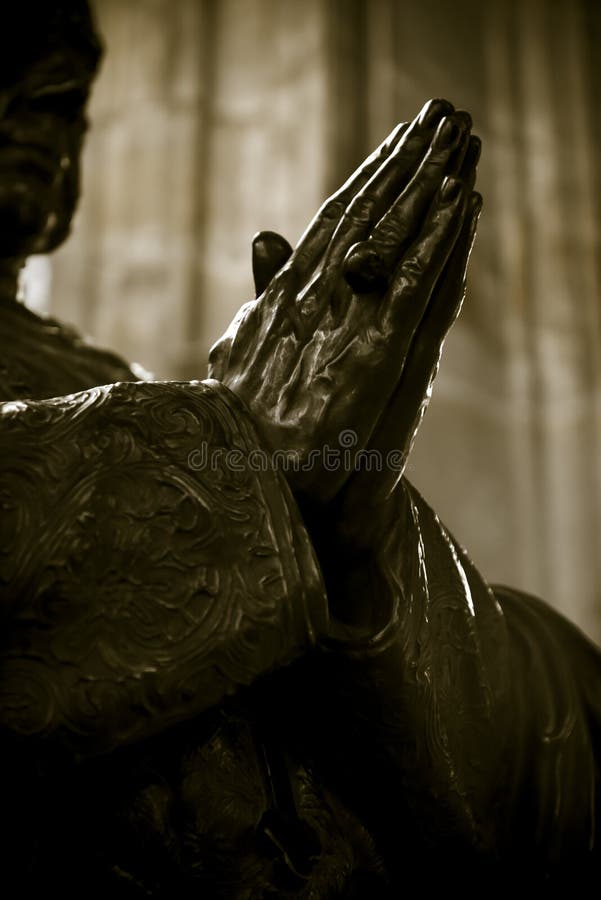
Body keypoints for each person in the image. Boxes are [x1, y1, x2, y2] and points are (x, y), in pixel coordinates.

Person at [0, 2, 600, 896]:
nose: (57, 104)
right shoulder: (181, 419)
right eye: (22, 60)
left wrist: (356, 546)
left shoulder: (109, 379)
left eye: (74, 94)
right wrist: (230, 448)